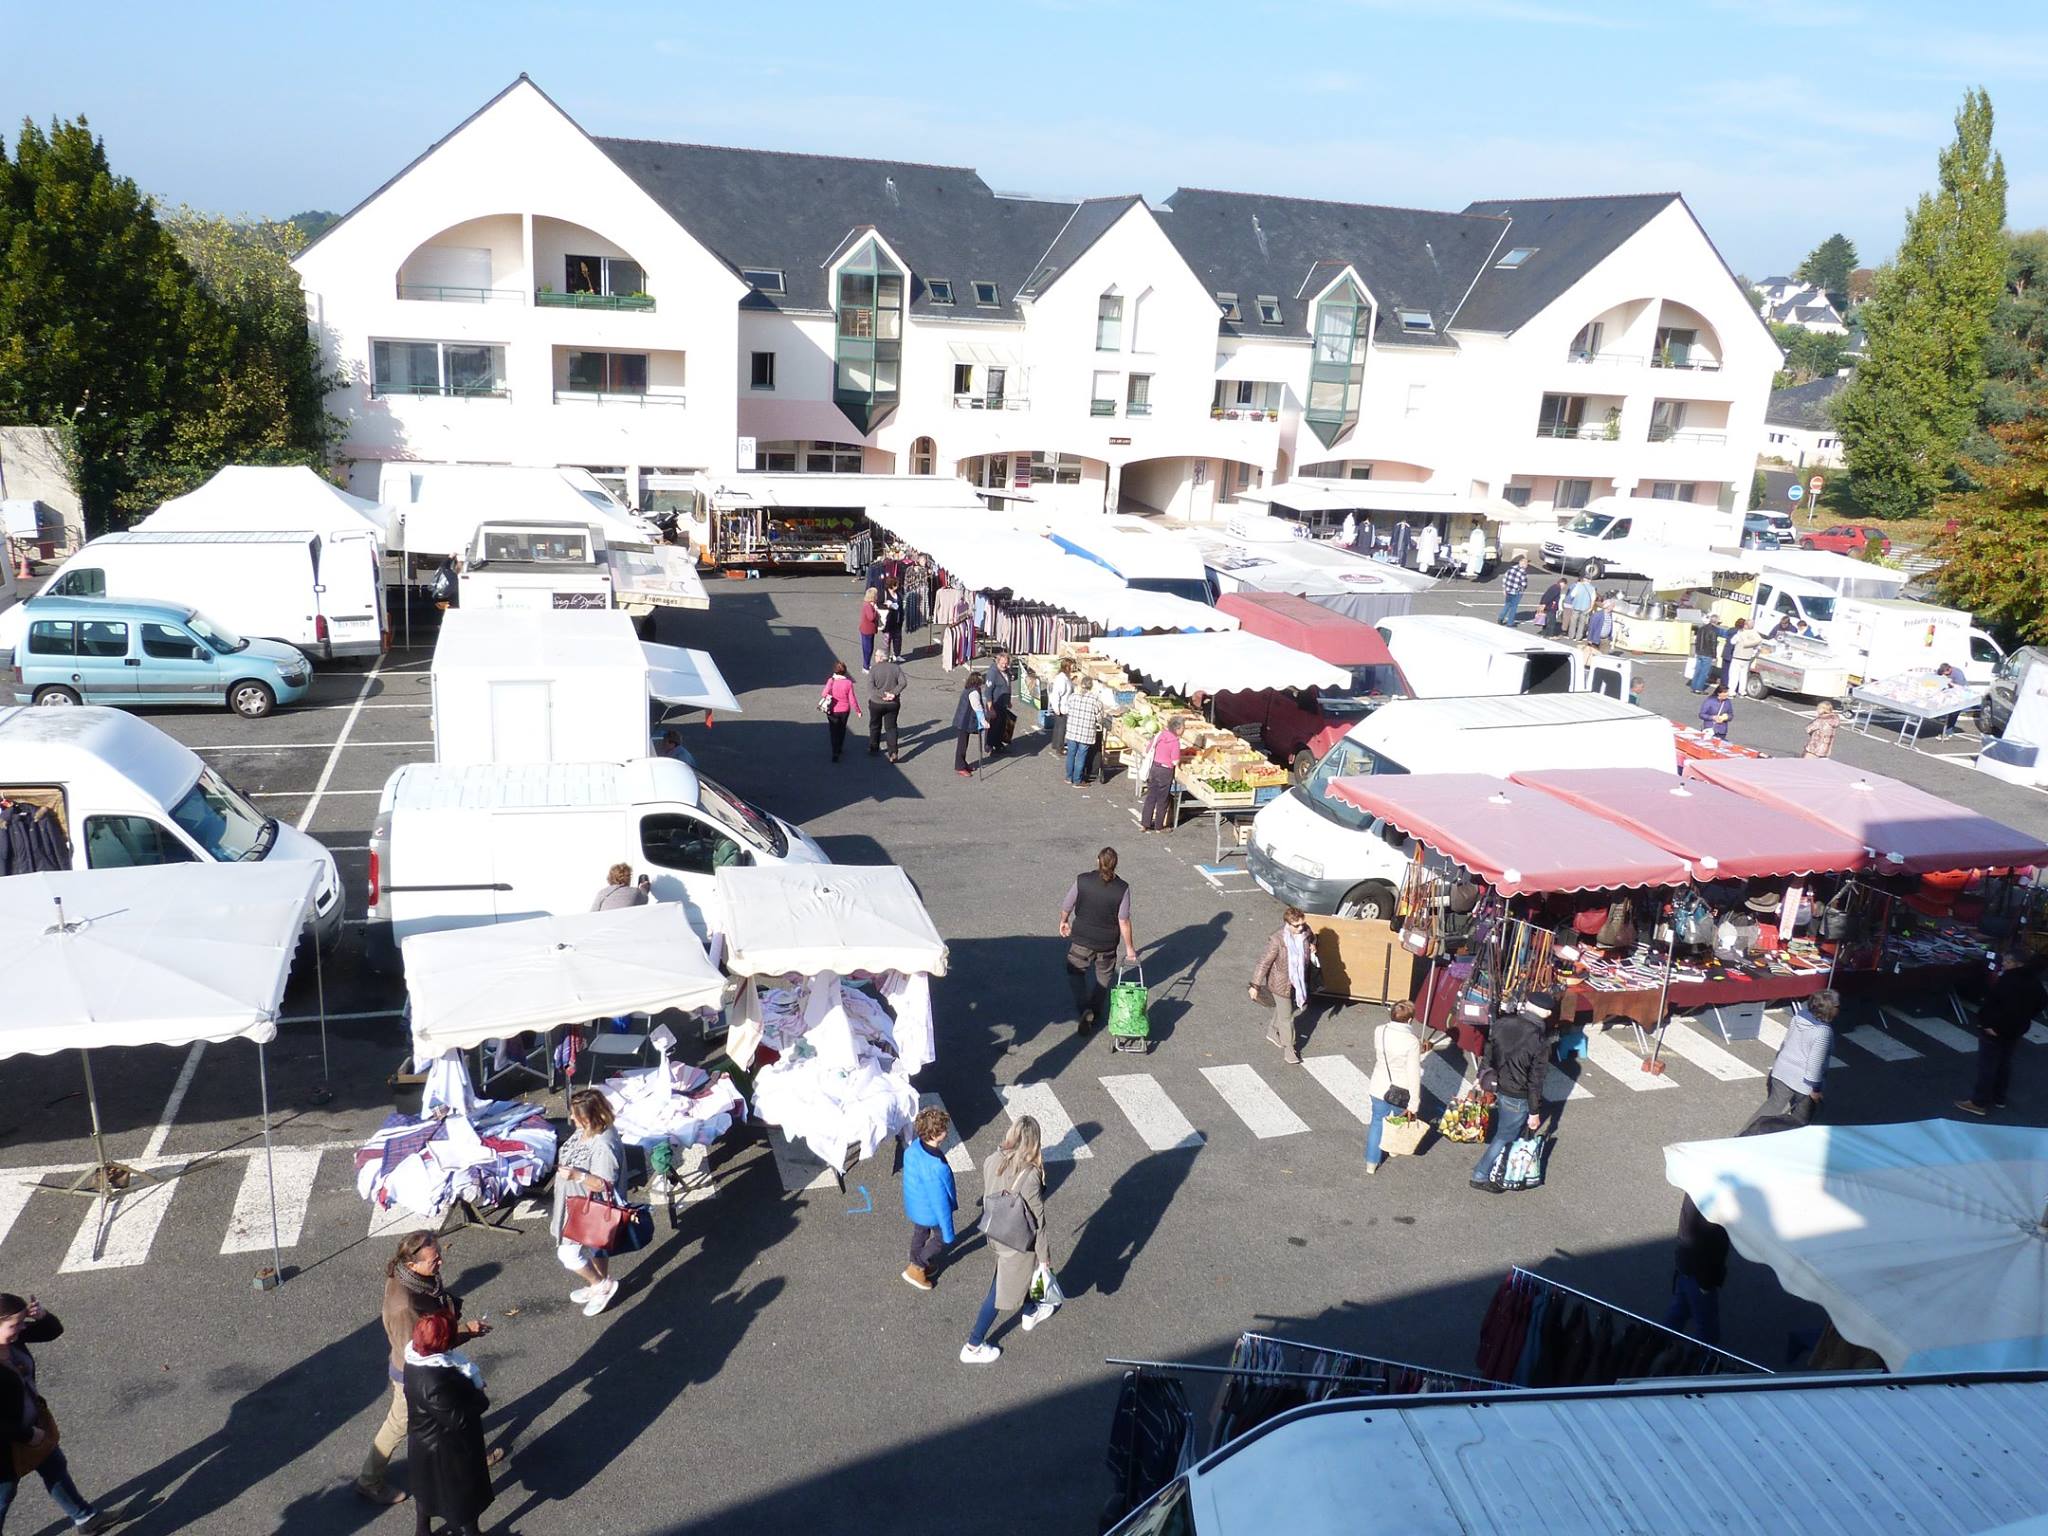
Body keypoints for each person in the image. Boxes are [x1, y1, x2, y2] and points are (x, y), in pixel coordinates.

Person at [357, 1232, 494, 1507]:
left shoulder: (411, 1277)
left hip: (433, 1362)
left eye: (439, 1254)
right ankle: (368, 1480)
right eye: (434, 1259)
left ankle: (472, 1457)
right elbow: (422, 1347)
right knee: (400, 1423)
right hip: (415, 1372)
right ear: (412, 1263)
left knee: (451, 1411)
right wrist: (466, 1331)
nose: (441, 1262)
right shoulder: (404, 1306)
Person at [0, 1293, 110, 1533]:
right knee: (4, 1494)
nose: (21, 1329)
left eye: (23, 1321)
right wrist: (28, 1435)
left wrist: (42, 1316)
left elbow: (50, 1332)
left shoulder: (12, 1340)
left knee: (54, 1465)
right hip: (7, 1443)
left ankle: (86, 1518)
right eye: (14, 1325)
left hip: (34, 1426)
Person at [959, 1117, 1055, 1365]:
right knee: (1001, 1290)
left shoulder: (993, 1159)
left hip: (997, 1230)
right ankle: (973, 1344)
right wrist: (1045, 1258)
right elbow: (1039, 1222)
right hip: (1017, 1241)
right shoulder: (1030, 1176)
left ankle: (1031, 1308)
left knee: (1019, 1275)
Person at [403, 1311, 493, 1536]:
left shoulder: (414, 1359)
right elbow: (458, 1419)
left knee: (427, 1490)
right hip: (447, 1450)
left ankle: (422, 1531)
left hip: (424, 1442)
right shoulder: (433, 1382)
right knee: (463, 1501)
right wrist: (479, 1396)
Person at [550, 1088, 626, 1317]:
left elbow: (605, 1184)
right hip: (576, 1204)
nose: (571, 1119)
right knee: (596, 1246)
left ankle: (600, 1285)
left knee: (568, 1254)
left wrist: (578, 1176)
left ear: (589, 1116)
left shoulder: (603, 1144)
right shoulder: (586, 1130)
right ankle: (600, 1284)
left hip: (587, 1209)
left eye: (576, 1115)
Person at [1957, 951, 2048, 1115]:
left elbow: (1998, 1004)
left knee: (1988, 1065)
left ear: (2018, 964)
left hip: (1996, 1029)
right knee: (2004, 1063)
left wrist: (1989, 1024)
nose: (2004, 964)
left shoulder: (2009, 980)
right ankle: (1999, 1097)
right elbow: (2040, 1003)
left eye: (2008, 961)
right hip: (2015, 1030)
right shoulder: (2034, 983)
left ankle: (1979, 1102)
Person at [1059, 848, 1137, 1032]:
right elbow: (1123, 920)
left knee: (1075, 972)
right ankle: (1095, 1009)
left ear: (1097, 861)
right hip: (1107, 943)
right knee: (1104, 976)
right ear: (1115, 864)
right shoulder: (1122, 888)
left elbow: (1067, 905)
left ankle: (1084, 1008)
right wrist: (1130, 948)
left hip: (1082, 938)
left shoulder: (1082, 880)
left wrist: (1063, 921)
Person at [1472, 1009, 1548, 1192]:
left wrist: (1480, 1076)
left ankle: (1493, 1169)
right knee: (1504, 1136)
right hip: (1518, 1094)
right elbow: (1535, 1081)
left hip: (1499, 1084)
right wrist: (1534, 1112)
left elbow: (1488, 1052)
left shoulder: (1503, 1022)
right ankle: (1480, 1175)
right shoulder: (1539, 1040)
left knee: (1504, 1130)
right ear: (1545, 1012)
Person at [1248, 905, 1319, 1065]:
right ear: (1287, 924)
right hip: (1280, 983)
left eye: (1302, 924)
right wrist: (1255, 985)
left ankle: (1272, 1031)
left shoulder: (1305, 931)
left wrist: (1313, 944)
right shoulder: (1277, 940)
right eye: (1297, 925)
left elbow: (1312, 938)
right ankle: (1289, 1049)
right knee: (1287, 1018)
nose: (1301, 928)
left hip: (1298, 981)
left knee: (1284, 1010)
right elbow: (1264, 963)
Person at [1759, 989, 1838, 1125]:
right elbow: (1815, 1065)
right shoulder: (1823, 1032)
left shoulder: (1798, 1017)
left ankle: (1745, 1135)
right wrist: (1815, 1090)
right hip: (1803, 1083)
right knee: (1800, 1120)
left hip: (1781, 1070)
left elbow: (1786, 1042)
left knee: (1771, 1107)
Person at [900, 1105, 957, 1290]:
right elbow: (940, 1202)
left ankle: (916, 1260)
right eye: (943, 1129)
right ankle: (917, 1267)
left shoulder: (914, 1148)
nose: (946, 1132)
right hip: (930, 1210)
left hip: (917, 1205)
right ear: (935, 1135)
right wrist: (949, 1232)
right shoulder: (936, 1167)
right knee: (939, 1239)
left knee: (920, 1233)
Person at [1365, 1000, 1424, 1174]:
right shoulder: (1411, 1042)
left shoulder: (1379, 1030)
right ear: (1410, 1020)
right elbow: (1413, 1073)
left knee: (1377, 1122)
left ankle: (1371, 1162)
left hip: (1378, 1084)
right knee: (1399, 1118)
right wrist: (1414, 1102)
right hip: (1402, 1088)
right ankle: (1393, 1147)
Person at [1140, 715, 1182, 833]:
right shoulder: (1175, 741)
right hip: (1165, 771)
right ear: (1177, 728)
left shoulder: (1160, 734)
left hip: (1154, 768)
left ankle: (1144, 824)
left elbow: (1147, 749)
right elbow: (1175, 761)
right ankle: (1159, 826)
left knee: (1151, 796)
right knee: (1162, 799)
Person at [1062, 678, 1104, 787]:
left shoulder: (1073, 697)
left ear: (1081, 685)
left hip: (1072, 730)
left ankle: (1068, 777)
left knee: (1071, 754)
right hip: (1086, 733)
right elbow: (1099, 718)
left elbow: (1067, 710)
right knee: (1081, 756)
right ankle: (1077, 780)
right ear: (1091, 687)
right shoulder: (1096, 700)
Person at [817, 660, 861, 763]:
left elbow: (824, 694)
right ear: (845, 671)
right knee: (842, 729)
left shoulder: (831, 681)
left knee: (833, 731)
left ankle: (835, 751)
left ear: (835, 671)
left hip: (832, 710)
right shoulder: (848, 683)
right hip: (844, 710)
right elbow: (852, 699)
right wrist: (858, 710)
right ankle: (840, 746)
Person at [866, 652, 907, 761]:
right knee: (891, 727)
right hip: (893, 704)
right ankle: (893, 752)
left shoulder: (873, 670)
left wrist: (883, 695)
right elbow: (903, 683)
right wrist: (893, 693)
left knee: (875, 725)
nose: (874, 657)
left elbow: (871, 688)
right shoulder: (896, 668)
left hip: (876, 703)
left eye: (875, 655)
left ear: (879, 658)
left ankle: (874, 747)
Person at [952, 670, 988, 778]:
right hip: (964, 721)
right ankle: (959, 766)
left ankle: (963, 763)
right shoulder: (974, 693)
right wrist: (983, 721)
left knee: (964, 743)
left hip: (963, 720)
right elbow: (977, 708)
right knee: (962, 745)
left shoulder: (969, 689)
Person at [983, 648, 1014, 755]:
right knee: (993, 726)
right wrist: (990, 708)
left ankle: (998, 744)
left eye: (1006, 663)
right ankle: (990, 746)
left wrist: (1009, 701)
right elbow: (988, 692)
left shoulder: (1007, 672)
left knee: (1001, 725)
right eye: (1002, 663)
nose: (1004, 665)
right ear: (998, 662)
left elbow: (1008, 686)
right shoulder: (993, 673)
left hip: (1003, 704)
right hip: (995, 704)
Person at [1046, 659, 1074, 755]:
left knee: (1058, 727)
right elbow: (1056, 694)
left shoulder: (1064, 677)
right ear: (1067, 667)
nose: (1073, 668)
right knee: (1062, 728)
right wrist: (1056, 708)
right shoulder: (1062, 679)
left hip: (1062, 706)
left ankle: (1055, 744)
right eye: (1072, 666)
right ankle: (1060, 748)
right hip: (1062, 707)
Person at [1688, 616, 1721, 693]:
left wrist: (1697, 650)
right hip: (1707, 653)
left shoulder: (1702, 628)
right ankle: (1699, 688)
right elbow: (1713, 644)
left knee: (1697, 670)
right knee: (1704, 672)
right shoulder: (1714, 630)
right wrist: (1714, 656)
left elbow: (1697, 640)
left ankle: (1694, 687)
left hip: (1699, 652)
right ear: (1716, 622)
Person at [882, 568, 907, 662]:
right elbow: (880, 604)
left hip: (898, 620)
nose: (898, 586)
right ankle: (886, 656)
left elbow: (901, 605)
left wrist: (902, 616)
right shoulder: (885, 594)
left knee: (898, 638)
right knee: (887, 640)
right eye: (896, 584)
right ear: (891, 585)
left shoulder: (898, 594)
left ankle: (897, 654)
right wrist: (888, 605)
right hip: (888, 621)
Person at [1497, 555, 1527, 625]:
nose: (1527, 566)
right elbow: (1524, 584)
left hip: (1508, 590)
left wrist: (1504, 589)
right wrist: (1522, 590)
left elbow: (1505, 579)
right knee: (1514, 607)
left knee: (1507, 604)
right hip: (1517, 592)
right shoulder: (1522, 572)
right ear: (1522, 563)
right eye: (1526, 564)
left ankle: (1500, 618)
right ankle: (1510, 622)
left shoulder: (1511, 568)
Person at [1564, 575, 1596, 641]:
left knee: (1573, 621)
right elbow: (1593, 599)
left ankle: (1571, 635)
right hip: (1586, 608)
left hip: (1576, 606)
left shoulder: (1578, 586)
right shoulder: (1592, 588)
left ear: (1584, 579)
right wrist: (1590, 608)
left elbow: (1572, 595)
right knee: (1582, 623)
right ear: (1590, 580)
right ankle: (1579, 637)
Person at [857, 586, 881, 673]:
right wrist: (876, 611)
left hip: (868, 630)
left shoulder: (868, 604)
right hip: (867, 630)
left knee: (869, 648)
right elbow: (871, 617)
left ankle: (867, 664)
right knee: (868, 648)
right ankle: (865, 666)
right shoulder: (868, 606)